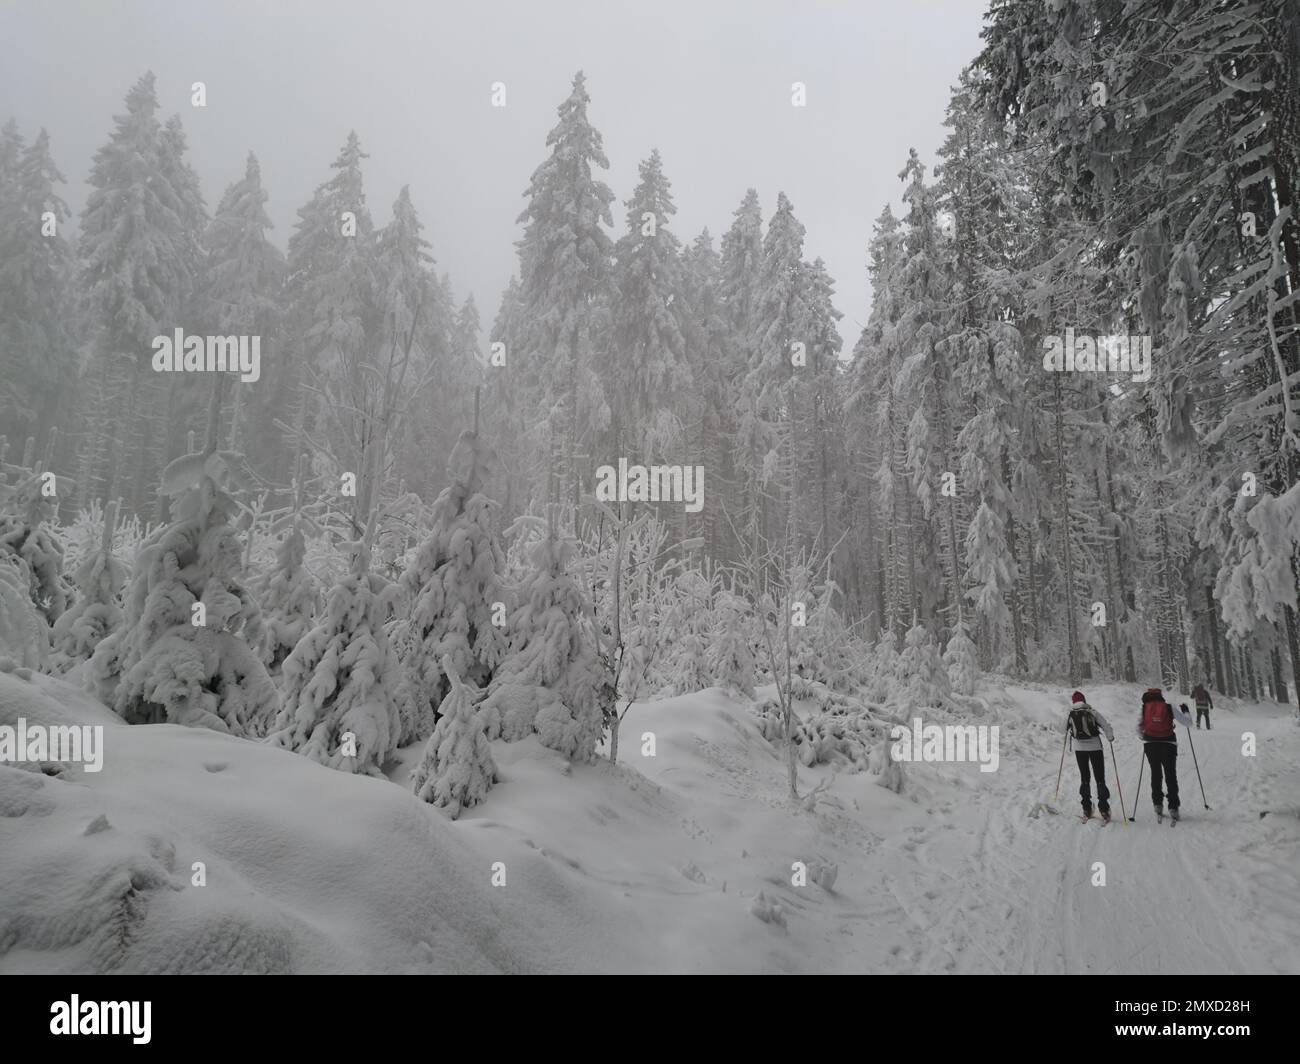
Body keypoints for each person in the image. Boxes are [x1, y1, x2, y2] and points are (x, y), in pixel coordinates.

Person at [1136, 687, 1194, 821]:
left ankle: (1158, 804)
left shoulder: (1144, 708)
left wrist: (1144, 737)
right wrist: (1186, 711)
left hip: (1151, 744)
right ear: (1160, 696)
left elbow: (1138, 728)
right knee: (1170, 774)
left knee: (1155, 773)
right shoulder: (1168, 707)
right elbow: (1188, 723)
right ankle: (1173, 807)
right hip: (1169, 743)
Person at [1066, 690, 1115, 821]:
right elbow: (1105, 725)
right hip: (1095, 748)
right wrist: (1110, 737)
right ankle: (1104, 809)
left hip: (1079, 749)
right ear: (1084, 700)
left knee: (1084, 777)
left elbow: (1063, 729)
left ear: (1073, 701)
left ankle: (1087, 808)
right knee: (1100, 777)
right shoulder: (1092, 711)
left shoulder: (1071, 714)